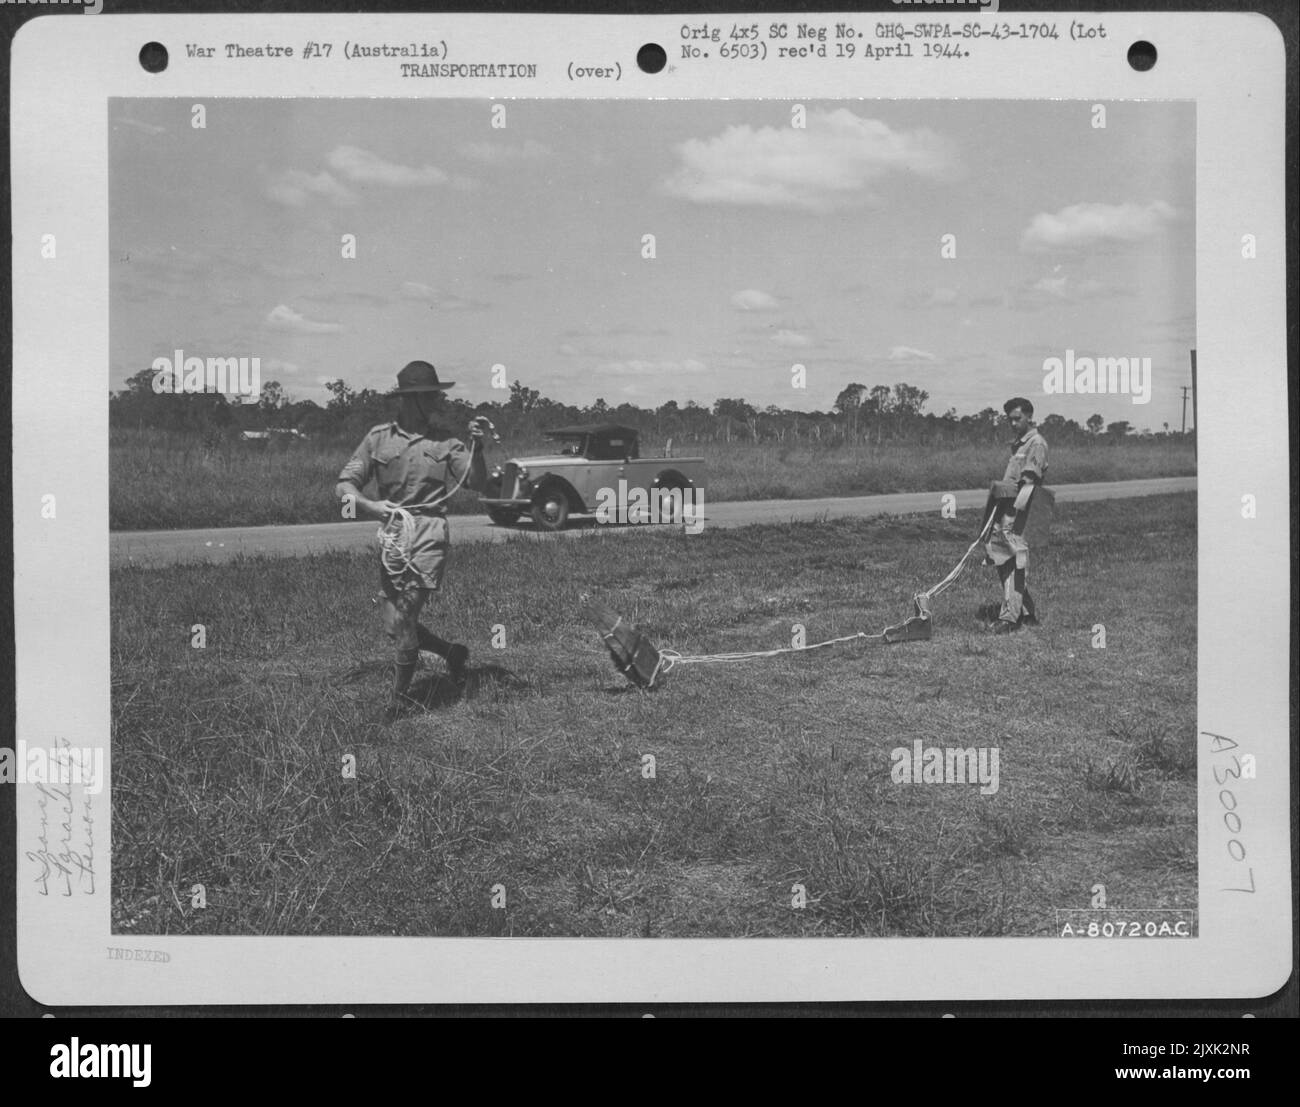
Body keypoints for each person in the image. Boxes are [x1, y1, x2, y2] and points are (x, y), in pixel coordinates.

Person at [335, 360, 489, 720]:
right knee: (393, 624)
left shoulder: (448, 441)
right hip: (393, 534)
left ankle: (399, 702)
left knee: (405, 617)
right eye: (429, 395)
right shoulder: (378, 439)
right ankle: (451, 653)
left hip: (430, 532)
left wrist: (478, 448)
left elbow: (477, 483)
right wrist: (372, 506)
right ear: (409, 399)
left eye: (436, 393)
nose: (437, 400)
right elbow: (343, 486)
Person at [984, 396, 1048, 634]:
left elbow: (1029, 483)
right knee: (1003, 560)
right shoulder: (1019, 445)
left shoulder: (1036, 443)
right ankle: (1027, 613)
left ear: (1029, 416)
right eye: (1009, 419)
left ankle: (1010, 618)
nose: (1012, 423)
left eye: (1017, 418)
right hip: (1007, 509)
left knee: (1012, 561)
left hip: (1020, 510)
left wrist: (1011, 518)